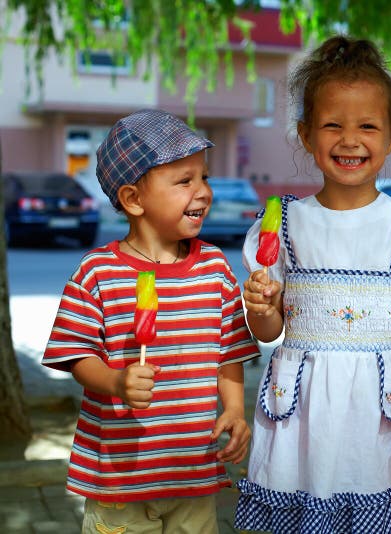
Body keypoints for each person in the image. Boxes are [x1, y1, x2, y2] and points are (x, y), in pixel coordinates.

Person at [234, 36, 391, 533]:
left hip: (372, 409)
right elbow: (267, 331)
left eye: (368, 126)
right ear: (307, 134)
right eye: (333, 125)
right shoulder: (281, 225)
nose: (350, 140)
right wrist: (262, 305)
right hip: (298, 409)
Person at [42, 109, 260, 533]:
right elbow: (76, 356)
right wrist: (117, 382)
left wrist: (234, 409)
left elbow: (229, 351)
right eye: (184, 181)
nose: (203, 192)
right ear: (133, 200)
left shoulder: (214, 267)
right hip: (121, 478)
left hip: (193, 472)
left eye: (204, 178)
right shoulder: (97, 273)